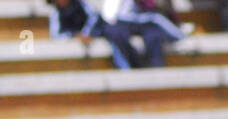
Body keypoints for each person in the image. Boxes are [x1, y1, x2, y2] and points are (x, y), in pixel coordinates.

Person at [48, 0, 183, 69]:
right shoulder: (56, 13)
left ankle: (153, 66)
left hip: (127, 22)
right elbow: (56, 35)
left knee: (153, 32)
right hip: (111, 25)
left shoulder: (80, 4)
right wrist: (77, 35)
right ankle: (127, 68)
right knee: (115, 33)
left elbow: (94, 17)